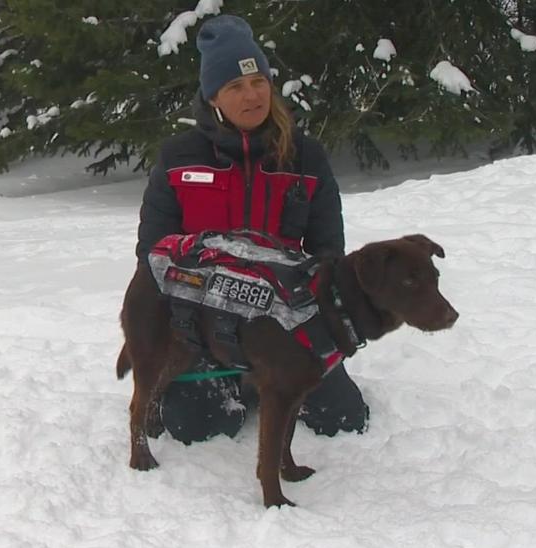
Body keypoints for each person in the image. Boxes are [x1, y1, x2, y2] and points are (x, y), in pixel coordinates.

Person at [133, 13, 368, 442]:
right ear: (213, 97)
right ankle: (226, 382)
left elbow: (328, 254)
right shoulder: (178, 158)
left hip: (284, 324)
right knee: (195, 428)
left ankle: (269, 376)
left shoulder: (305, 158)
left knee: (344, 420)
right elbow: (154, 254)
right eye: (235, 87)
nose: (251, 95)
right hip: (204, 328)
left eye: (258, 82)